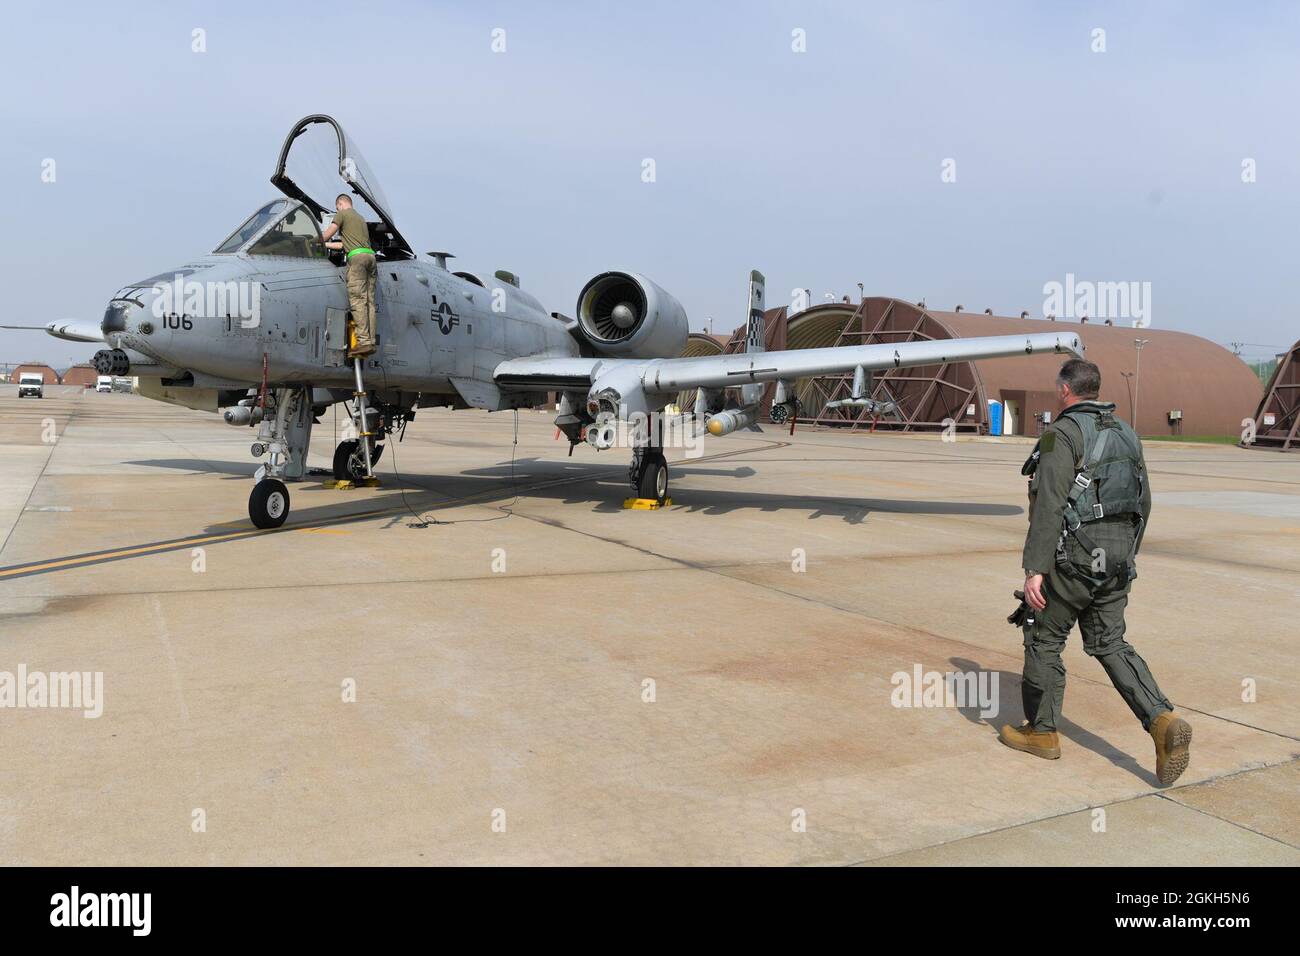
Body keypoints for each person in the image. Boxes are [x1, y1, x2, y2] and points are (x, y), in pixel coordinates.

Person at [1000, 358, 1192, 786]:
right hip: (1118, 558)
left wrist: (1035, 568)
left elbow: (1049, 503)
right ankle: (1161, 720)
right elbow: (1143, 501)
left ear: (1064, 390)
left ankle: (1043, 732)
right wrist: (1128, 553)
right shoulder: (1127, 433)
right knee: (1109, 642)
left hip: (1075, 559)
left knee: (1043, 634)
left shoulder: (1061, 434)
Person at [321, 194, 376, 358]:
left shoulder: (342, 214)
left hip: (357, 260)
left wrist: (316, 240)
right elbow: (345, 244)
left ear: (341, 203)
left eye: (337, 207)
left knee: (357, 299)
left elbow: (328, 233)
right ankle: (370, 341)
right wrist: (326, 245)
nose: (337, 210)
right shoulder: (360, 219)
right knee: (369, 302)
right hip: (370, 258)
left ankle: (364, 342)